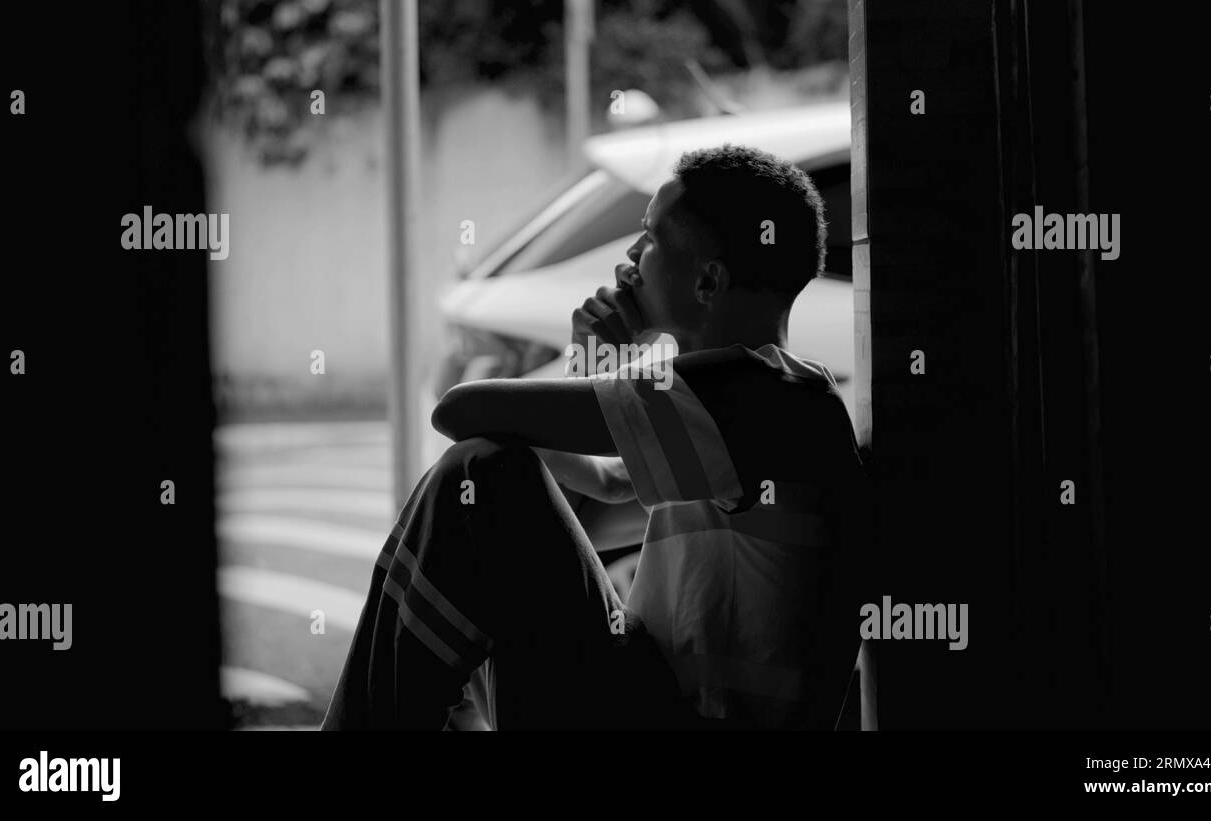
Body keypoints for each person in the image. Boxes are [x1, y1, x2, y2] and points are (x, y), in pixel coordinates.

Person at [321, 144, 868, 731]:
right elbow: (597, 502)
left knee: (477, 474)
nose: (630, 256)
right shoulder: (765, 404)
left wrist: (594, 366)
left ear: (708, 281)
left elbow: (461, 410)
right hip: (650, 706)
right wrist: (592, 361)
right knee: (485, 488)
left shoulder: (761, 394)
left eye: (651, 238)